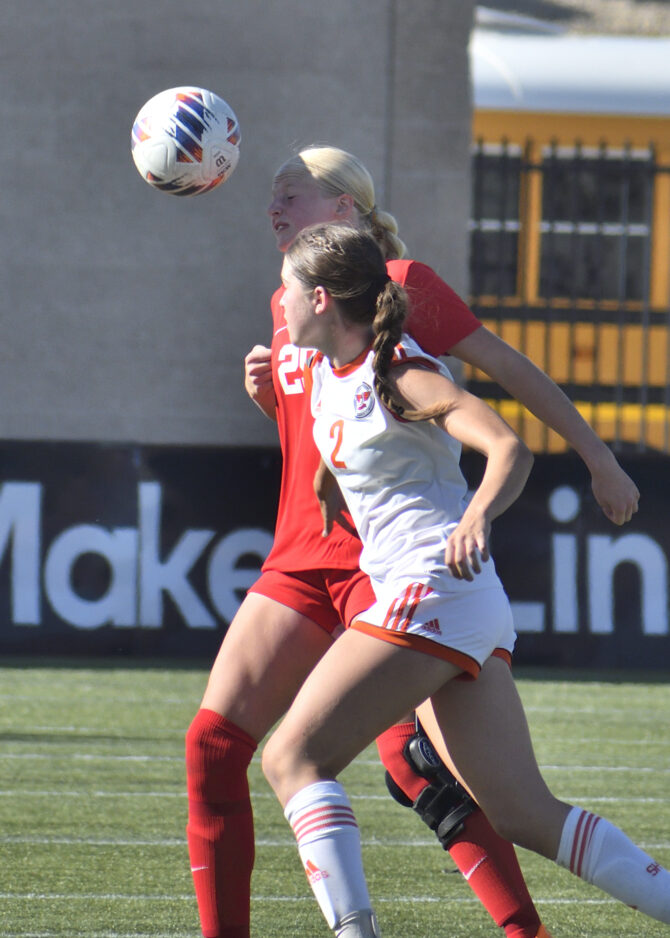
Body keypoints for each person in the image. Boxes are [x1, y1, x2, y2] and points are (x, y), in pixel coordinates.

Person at [185, 145, 638, 938]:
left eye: (290, 191)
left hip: (397, 574)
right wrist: (269, 400)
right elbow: (339, 443)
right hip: (317, 560)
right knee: (218, 747)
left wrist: (598, 457)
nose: (273, 206)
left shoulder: (395, 295)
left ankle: (511, 928)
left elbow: (504, 387)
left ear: (346, 211)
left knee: (376, 762)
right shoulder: (297, 305)